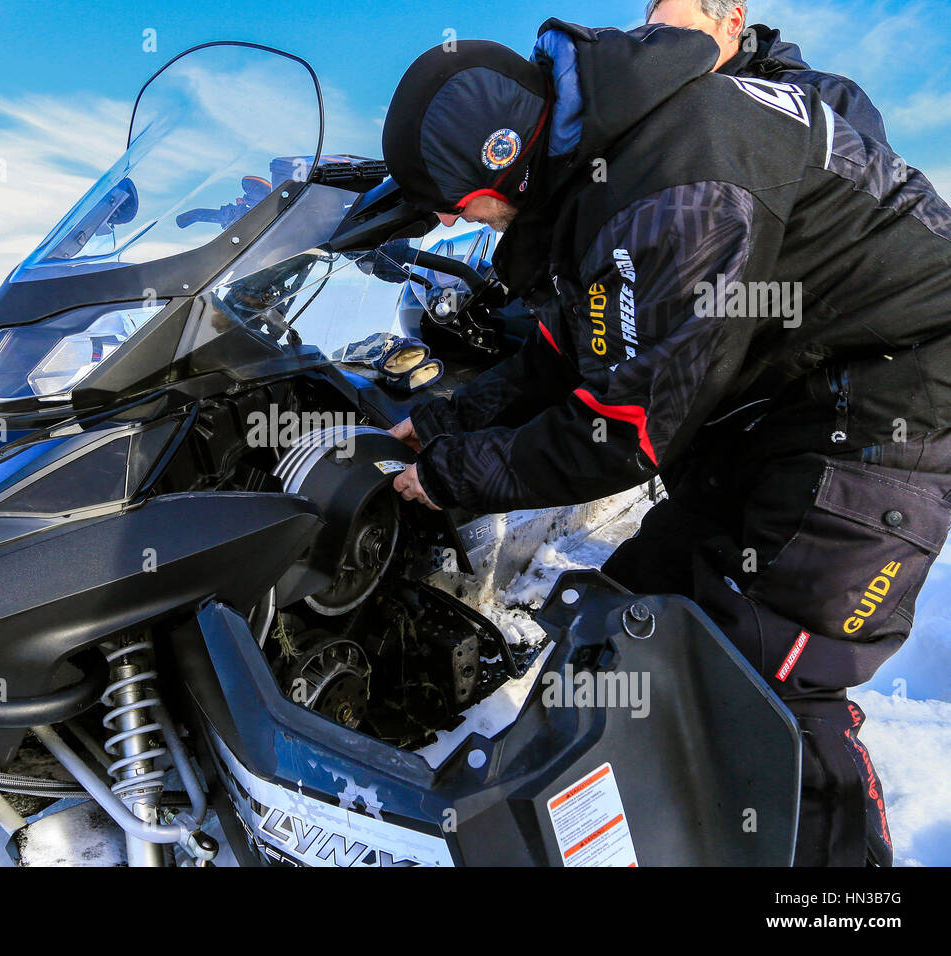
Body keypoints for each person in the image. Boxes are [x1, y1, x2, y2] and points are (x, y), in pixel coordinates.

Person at [381, 21, 951, 866]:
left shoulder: (679, 185)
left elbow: (623, 432)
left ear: (500, 162)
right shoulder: (615, 162)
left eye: (451, 203)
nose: (447, 219)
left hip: (890, 404)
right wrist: (441, 420)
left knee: (768, 671)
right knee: (636, 615)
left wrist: (451, 474)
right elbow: (570, 343)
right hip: (784, 399)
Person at [646, 0, 889, 144]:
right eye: (659, 41)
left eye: (687, 34)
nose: (670, 51)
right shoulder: (653, 120)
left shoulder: (828, 96)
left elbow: (876, 202)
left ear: (733, 22)